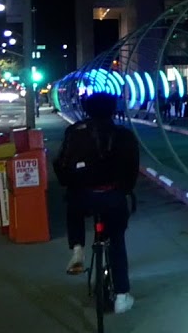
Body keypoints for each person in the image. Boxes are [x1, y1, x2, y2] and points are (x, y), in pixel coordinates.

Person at [54, 91, 141, 314]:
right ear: (113, 109)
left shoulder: (75, 132)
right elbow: (132, 169)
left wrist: (70, 184)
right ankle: (122, 296)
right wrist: (125, 190)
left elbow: (61, 164)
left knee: (73, 208)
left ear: (86, 110)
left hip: (82, 197)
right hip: (113, 197)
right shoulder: (124, 135)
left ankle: (77, 249)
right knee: (117, 242)